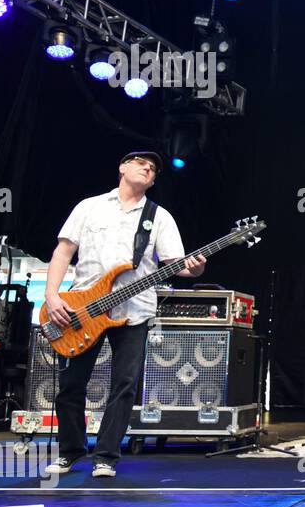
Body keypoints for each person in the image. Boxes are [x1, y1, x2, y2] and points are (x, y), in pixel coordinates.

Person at [42, 152, 206, 477]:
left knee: (125, 385)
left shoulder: (158, 217)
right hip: (82, 307)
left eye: (153, 168)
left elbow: (176, 264)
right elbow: (63, 251)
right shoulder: (89, 207)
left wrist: (196, 268)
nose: (148, 168)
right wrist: (51, 295)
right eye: (141, 162)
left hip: (134, 310)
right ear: (122, 167)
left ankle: (106, 456)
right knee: (71, 384)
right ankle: (71, 451)